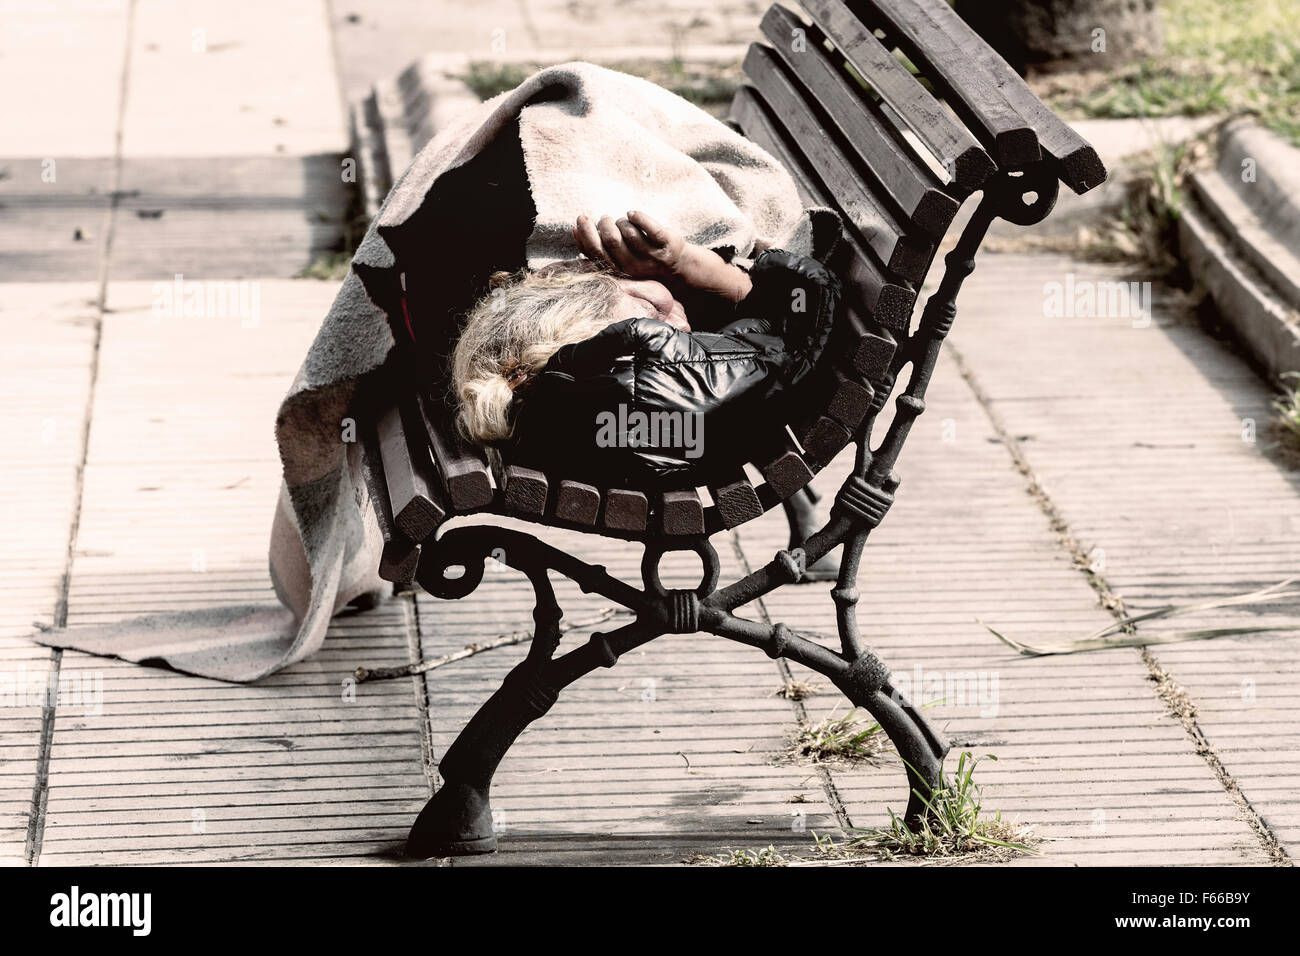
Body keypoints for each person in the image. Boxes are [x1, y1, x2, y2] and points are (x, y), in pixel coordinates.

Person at [450, 209, 840, 489]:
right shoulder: (647, 384)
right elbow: (800, 316)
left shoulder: (565, 389)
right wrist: (698, 264)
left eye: (654, 310)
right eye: (656, 322)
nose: (683, 326)